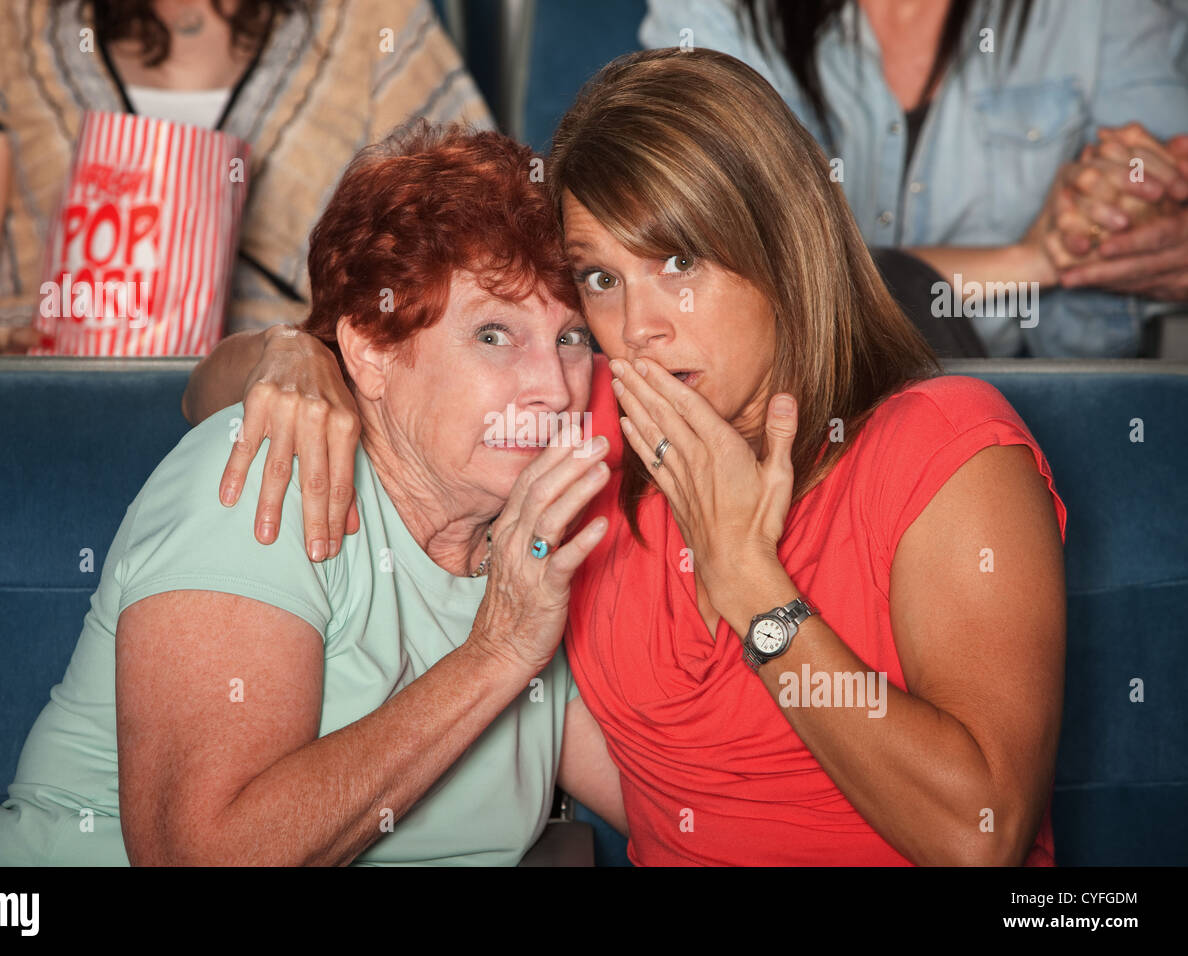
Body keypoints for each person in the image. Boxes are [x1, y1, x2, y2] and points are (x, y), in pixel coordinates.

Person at [187, 49, 1068, 865]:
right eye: (601, 278)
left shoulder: (941, 447)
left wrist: (750, 584)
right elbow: (206, 400)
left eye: (677, 259)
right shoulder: (583, 417)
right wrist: (295, 356)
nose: (638, 327)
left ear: (781, 242)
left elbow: (978, 836)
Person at [0, 122, 627, 866]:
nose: (553, 387)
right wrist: (495, 653)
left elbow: (672, 804)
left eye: (570, 338)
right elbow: (198, 858)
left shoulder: (531, 538)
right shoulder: (266, 473)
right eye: (493, 334)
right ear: (370, 350)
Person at [0, 0, 491, 354]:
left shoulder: (371, 18)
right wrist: (21, 393)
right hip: (46, 419)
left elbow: (477, 244)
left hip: (299, 410)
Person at [638, 0, 1188, 357]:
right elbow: (729, 275)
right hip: (793, 422)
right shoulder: (710, 11)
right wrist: (1033, 260)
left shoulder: (1108, 14)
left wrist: (1133, 212)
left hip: (1042, 403)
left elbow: (1157, 201)